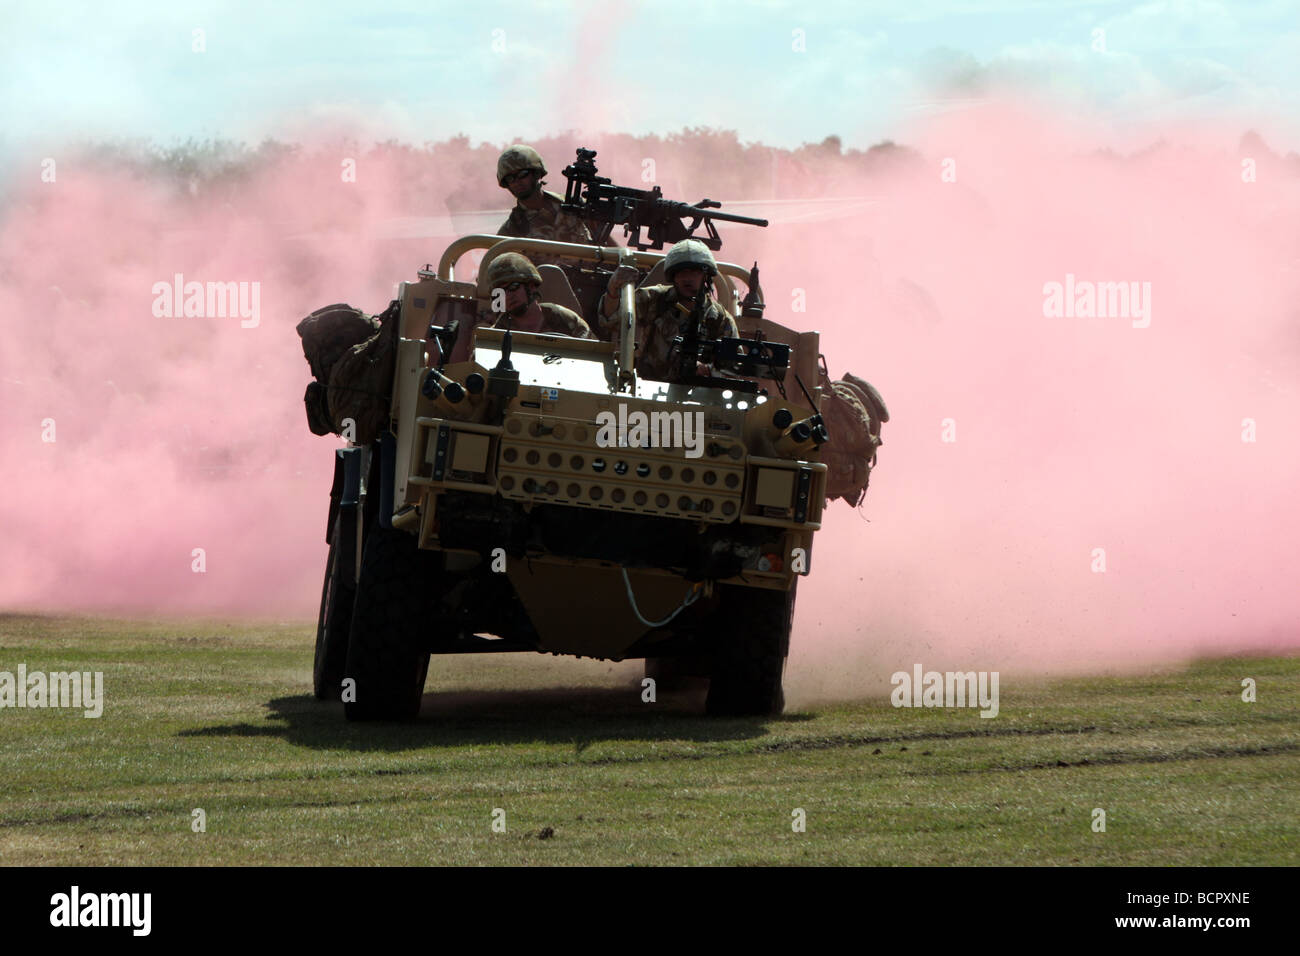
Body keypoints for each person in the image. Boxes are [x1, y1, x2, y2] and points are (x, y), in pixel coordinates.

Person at [598, 239, 738, 381]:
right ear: (673, 276)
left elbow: (733, 370)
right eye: (681, 272)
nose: (687, 278)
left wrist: (707, 370)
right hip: (646, 391)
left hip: (697, 397)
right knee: (622, 404)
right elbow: (610, 320)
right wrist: (613, 289)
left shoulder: (720, 320)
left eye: (695, 272)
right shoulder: (653, 300)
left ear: (705, 276)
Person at [495, 145, 593, 264]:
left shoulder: (574, 206)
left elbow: (607, 245)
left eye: (522, 174)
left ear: (536, 173)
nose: (517, 182)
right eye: (510, 178)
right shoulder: (510, 231)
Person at [479, 252, 595, 339]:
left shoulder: (566, 320)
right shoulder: (495, 335)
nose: (508, 296)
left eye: (513, 287)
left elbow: (595, 358)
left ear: (531, 286)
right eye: (501, 292)